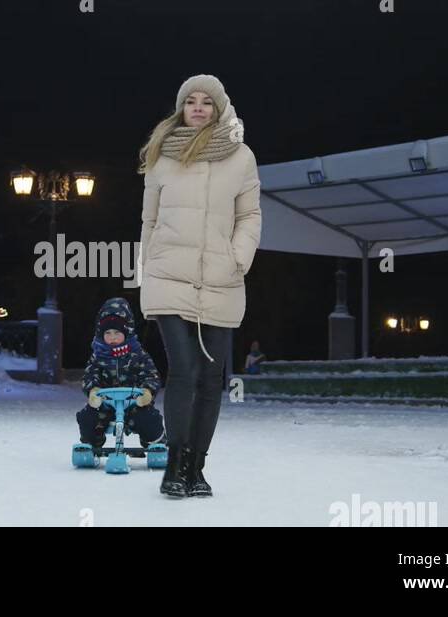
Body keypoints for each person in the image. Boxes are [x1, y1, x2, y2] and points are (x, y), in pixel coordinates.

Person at [137, 74, 262, 498]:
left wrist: (238, 258)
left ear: (219, 108)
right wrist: (147, 268)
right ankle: (174, 463)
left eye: (206, 102)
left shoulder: (242, 157)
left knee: (212, 378)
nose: (197, 108)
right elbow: (148, 222)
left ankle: (196, 467)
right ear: (181, 108)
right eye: (190, 101)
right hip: (169, 276)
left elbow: (249, 216)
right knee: (185, 370)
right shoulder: (161, 156)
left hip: (222, 280)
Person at [77, 297, 165, 450]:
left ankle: (154, 442)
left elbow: (151, 375)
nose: (112, 338)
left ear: (127, 332)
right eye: (108, 333)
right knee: (87, 417)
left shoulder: (137, 354)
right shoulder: (98, 356)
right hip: (106, 405)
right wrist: (93, 391)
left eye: (117, 332)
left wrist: (146, 392)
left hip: (133, 404)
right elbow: (90, 375)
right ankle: (92, 442)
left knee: (149, 418)